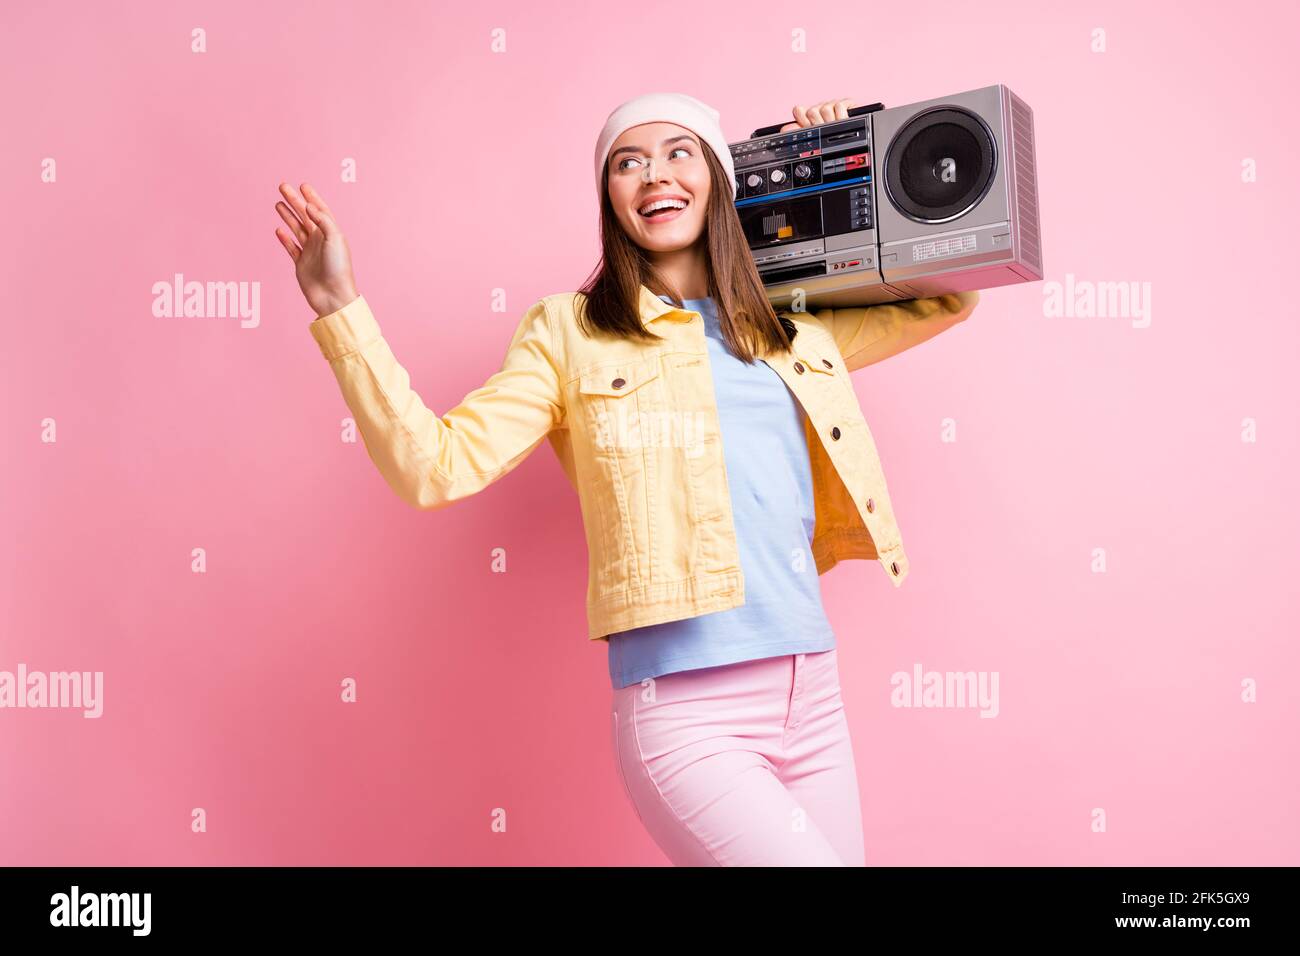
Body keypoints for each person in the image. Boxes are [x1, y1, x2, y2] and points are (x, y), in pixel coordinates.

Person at [273, 94, 979, 866]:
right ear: (610, 197)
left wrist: (844, 156)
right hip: (686, 712)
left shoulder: (791, 326)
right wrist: (341, 309)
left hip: (812, 695)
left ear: (717, 177)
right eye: (627, 162)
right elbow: (431, 468)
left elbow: (950, 293)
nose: (654, 174)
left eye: (679, 152)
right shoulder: (569, 334)